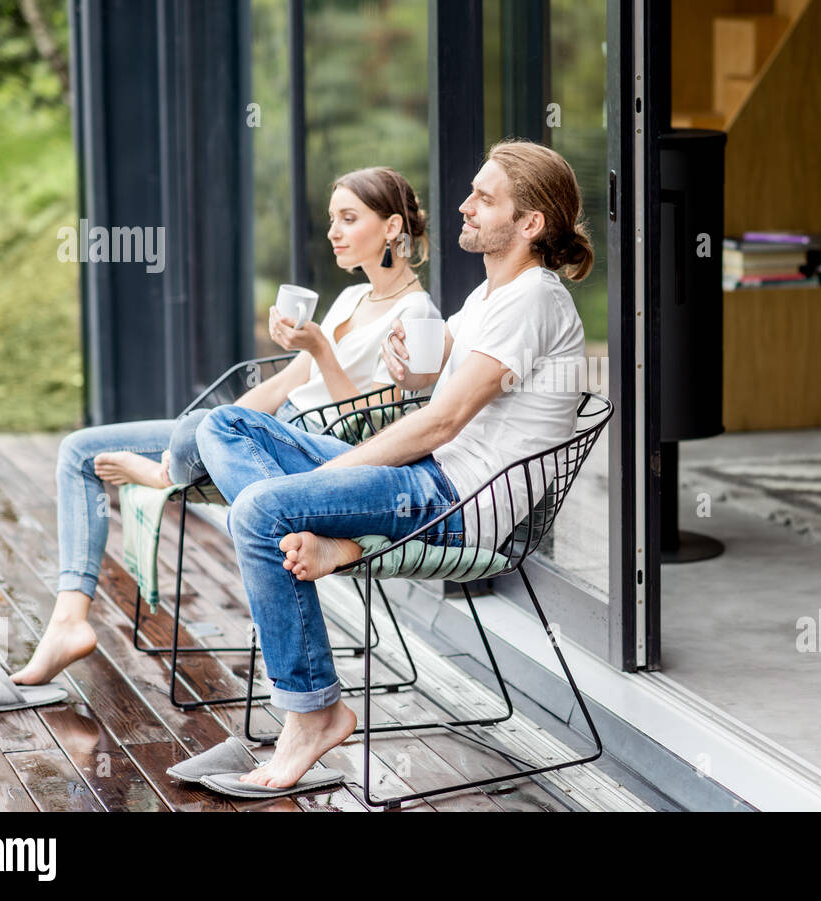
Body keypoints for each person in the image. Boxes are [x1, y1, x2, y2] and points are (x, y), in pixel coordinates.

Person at [193, 140, 594, 790]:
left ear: (530, 224)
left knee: (261, 509)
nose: (463, 206)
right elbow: (436, 377)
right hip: (421, 478)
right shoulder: (493, 296)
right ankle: (324, 541)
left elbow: (442, 420)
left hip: (452, 501)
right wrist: (418, 366)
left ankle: (315, 711)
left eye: (485, 198)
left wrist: (326, 479)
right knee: (232, 424)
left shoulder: (534, 300)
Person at [9, 167, 438, 688]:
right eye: (332, 219)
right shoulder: (352, 299)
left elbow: (372, 428)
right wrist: (213, 418)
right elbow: (281, 389)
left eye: (349, 219)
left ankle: (161, 473)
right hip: (262, 431)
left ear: (392, 227)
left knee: (203, 430)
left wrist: (320, 349)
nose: (333, 232)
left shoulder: (418, 316)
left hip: (310, 455)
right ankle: (68, 621)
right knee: (81, 450)